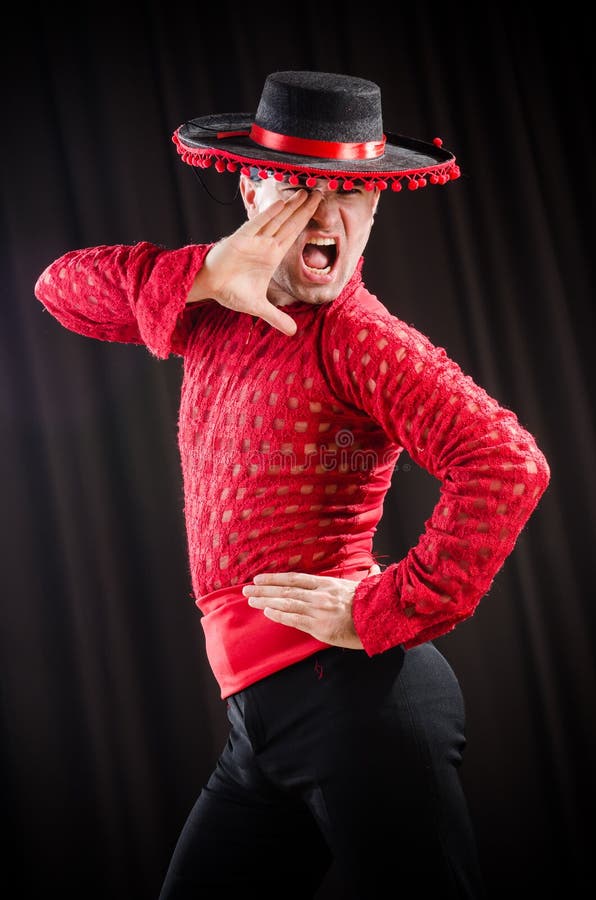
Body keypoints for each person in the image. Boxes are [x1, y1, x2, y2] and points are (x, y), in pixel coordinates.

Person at [34, 70, 550, 899]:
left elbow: (508, 464)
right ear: (250, 190)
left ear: (374, 209)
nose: (324, 213)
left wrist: (387, 607)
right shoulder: (207, 310)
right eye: (299, 186)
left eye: (349, 192)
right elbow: (60, 289)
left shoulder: (357, 338)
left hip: (360, 709)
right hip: (262, 726)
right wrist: (206, 271)